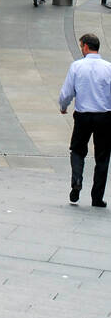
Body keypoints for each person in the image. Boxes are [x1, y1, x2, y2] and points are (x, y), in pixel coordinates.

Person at [59, 33, 111, 206]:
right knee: (102, 157)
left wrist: (63, 105)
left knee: (78, 150)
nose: (81, 49)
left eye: (82, 46)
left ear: (86, 47)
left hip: (83, 115)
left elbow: (67, 92)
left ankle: (77, 180)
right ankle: (97, 197)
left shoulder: (77, 66)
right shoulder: (108, 67)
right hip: (104, 116)